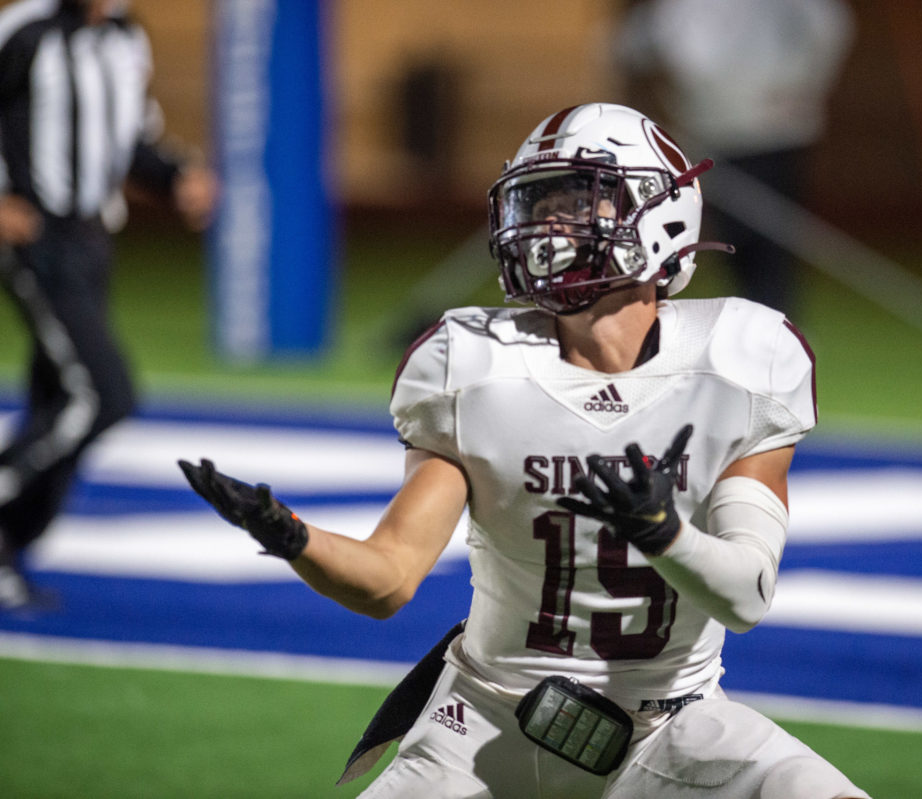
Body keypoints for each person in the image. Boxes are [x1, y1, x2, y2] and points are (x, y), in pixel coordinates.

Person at [180, 103, 868, 798]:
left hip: (670, 727)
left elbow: (747, 593)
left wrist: (664, 533)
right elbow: (387, 579)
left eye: (578, 203)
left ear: (660, 215)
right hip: (482, 723)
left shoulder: (740, 362)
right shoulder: (475, 366)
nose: (547, 227)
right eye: (538, 202)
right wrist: (290, 535)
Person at [0, 0, 217, 610]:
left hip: (93, 240)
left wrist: (175, 178)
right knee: (98, 394)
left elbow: (128, 141)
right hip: (38, 239)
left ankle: (12, 545)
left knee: (56, 396)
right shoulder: (26, 31)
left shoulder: (124, 39)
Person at [616, 0, 855, 319]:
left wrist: (806, 87)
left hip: (777, 135)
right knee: (735, 244)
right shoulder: (681, 8)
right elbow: (633, 45)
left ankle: (778, 329)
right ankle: (760, 325)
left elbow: (830, 27)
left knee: (770, 250)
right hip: (710, 138)